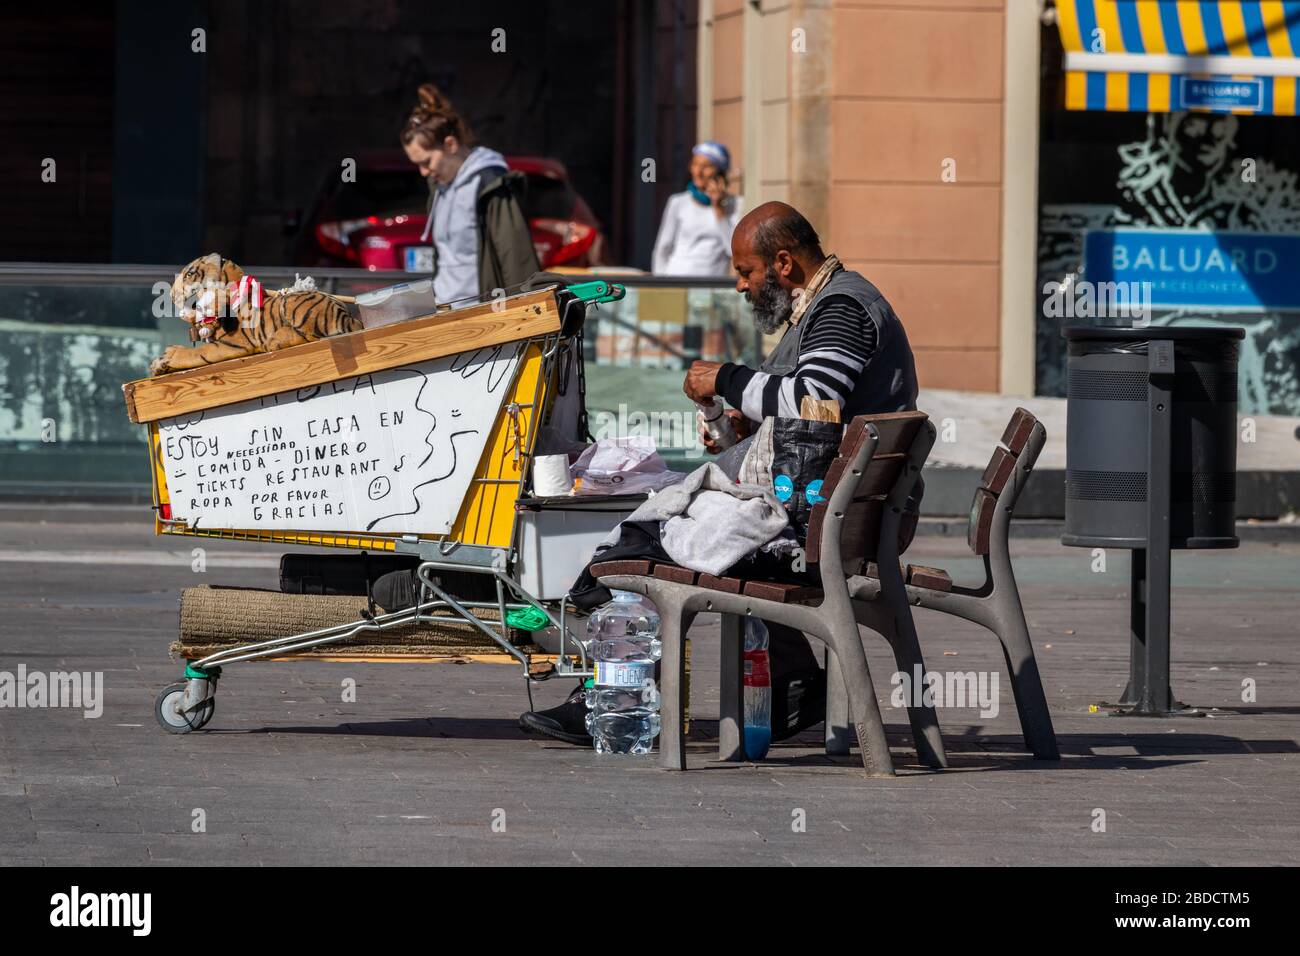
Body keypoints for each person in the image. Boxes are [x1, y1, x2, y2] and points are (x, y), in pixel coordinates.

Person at [519, 201, 921, 748]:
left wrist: (726, 378)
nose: (739, 285)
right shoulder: (823, 309)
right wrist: (743, 424)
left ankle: (615, 701)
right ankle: (792, 684)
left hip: (822, 525)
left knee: (643, 549)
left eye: (746, 271)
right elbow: (803, 418)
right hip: (826, 512)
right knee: (672, 515)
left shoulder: (843, 308)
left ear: (783, 262)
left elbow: (814, 400)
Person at [400, 84, 539, 307]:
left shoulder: (491, 184)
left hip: (481, 313)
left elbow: (515, 257)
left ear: (450, 144)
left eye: (426, 162)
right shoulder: (439, 188)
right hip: (444, 309)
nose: (423, 172)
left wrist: (526, 311)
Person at [650, 141, 743, 276]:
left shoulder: (736, 204)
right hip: (676, 279)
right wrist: (660, 282)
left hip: (711, 287)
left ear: (720, 172)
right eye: (695, 164)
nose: (698, 172)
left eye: (706, 166)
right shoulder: (678, 202)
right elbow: (663, 248)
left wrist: (718, 209)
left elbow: (733, 251)